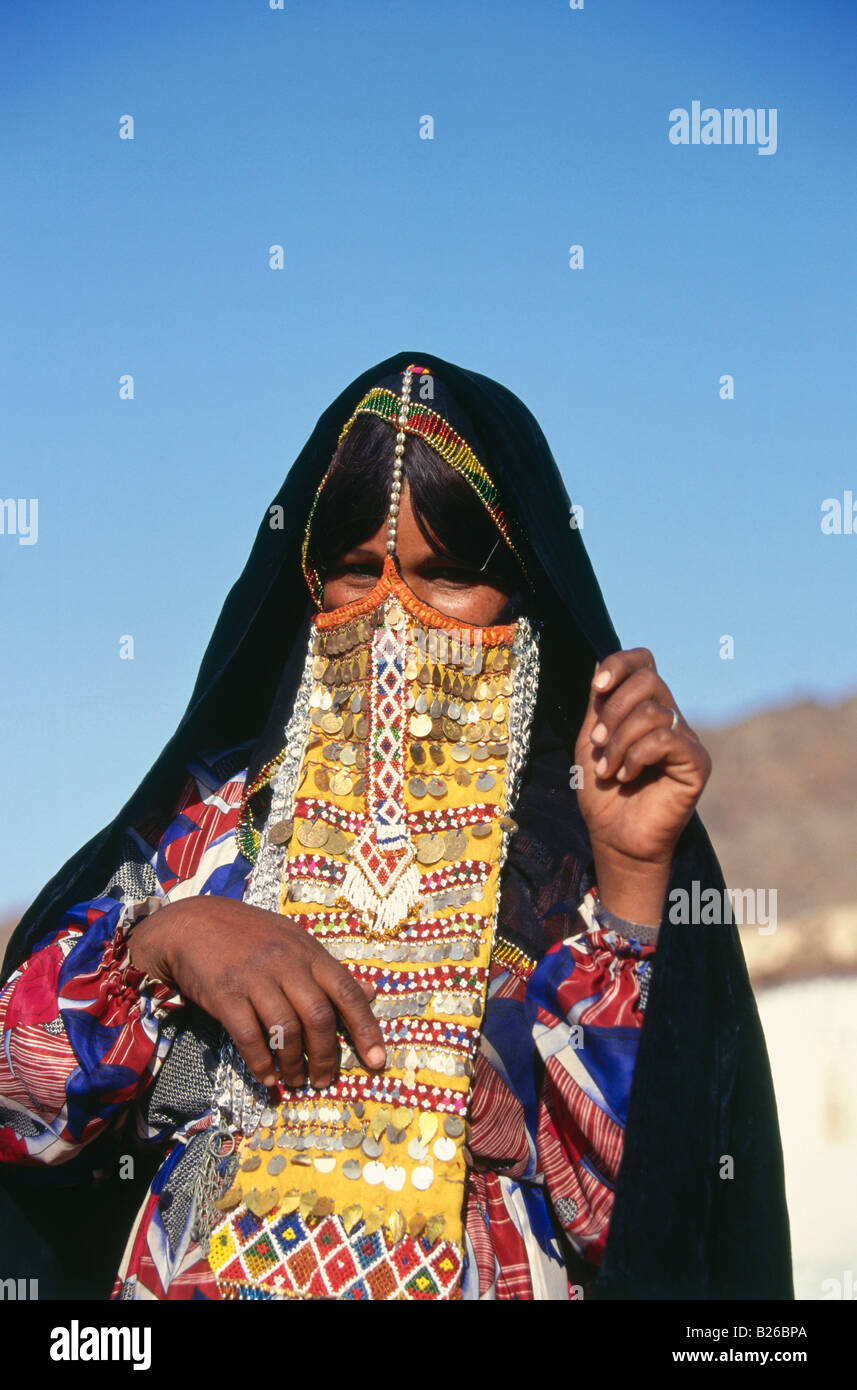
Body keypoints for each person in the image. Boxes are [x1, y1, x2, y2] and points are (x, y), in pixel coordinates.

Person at [0, 352, 792, 1301]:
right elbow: (21, 1114)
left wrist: (628, 881)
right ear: (309, 589)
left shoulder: (577, 858)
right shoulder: (211, 828)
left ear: (523, 595)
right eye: (354, 572)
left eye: (446, 575)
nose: (392, 619)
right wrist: (164, 941)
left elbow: (636, 1227)